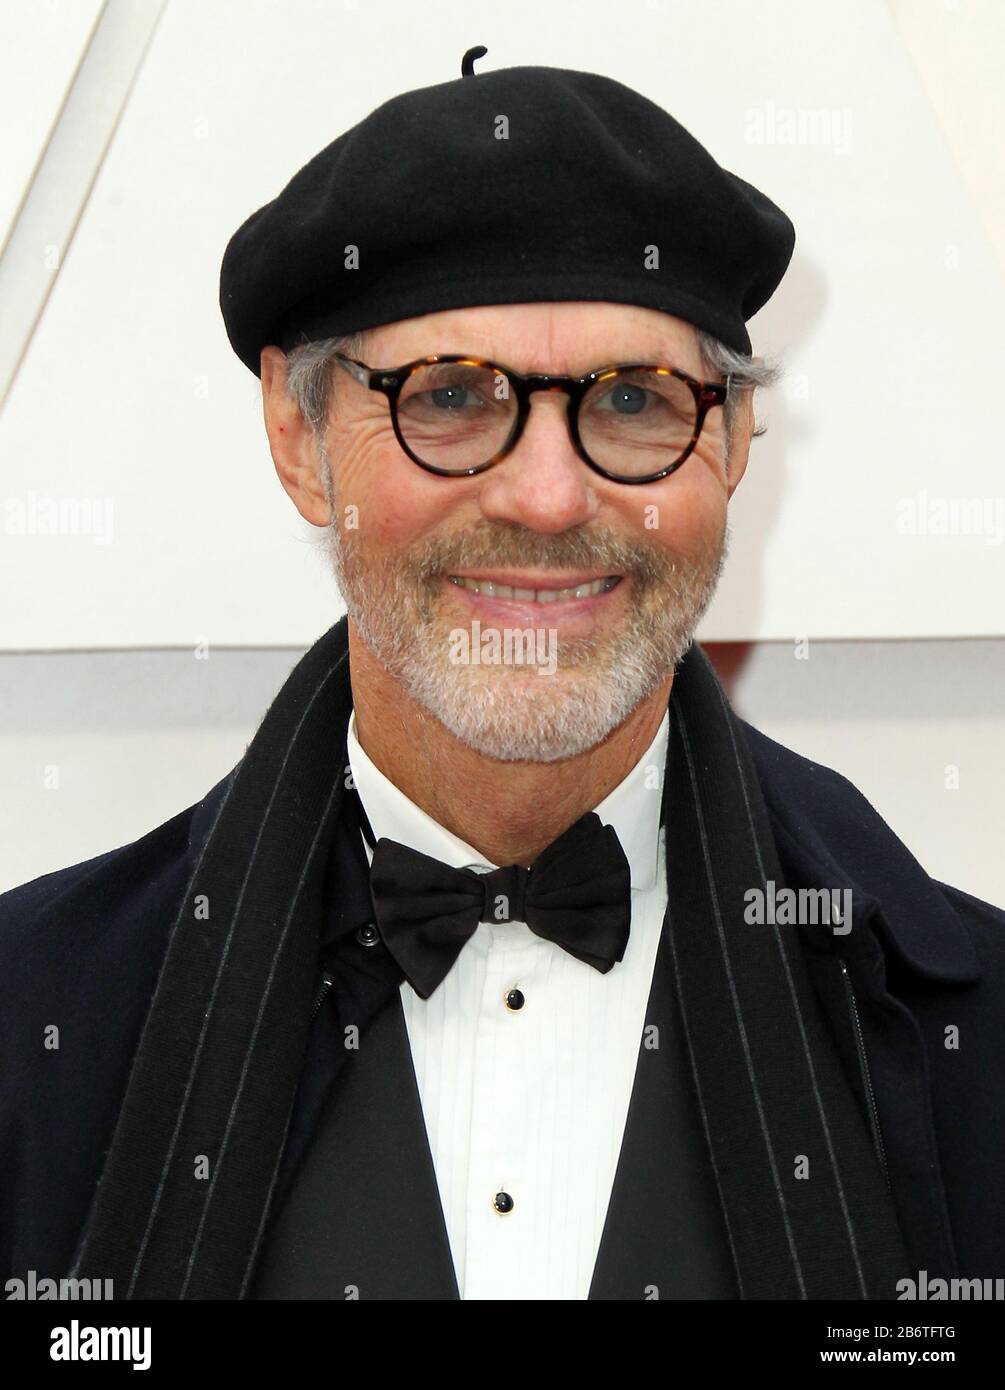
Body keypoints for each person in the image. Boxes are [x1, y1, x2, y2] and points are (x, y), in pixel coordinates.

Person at [2, 47, 1003, 1303]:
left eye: (634, 398)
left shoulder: (967, 1034)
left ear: (735, 442)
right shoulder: (33, 1023)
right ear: (298, 439)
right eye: (454, 397)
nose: (547, 496)